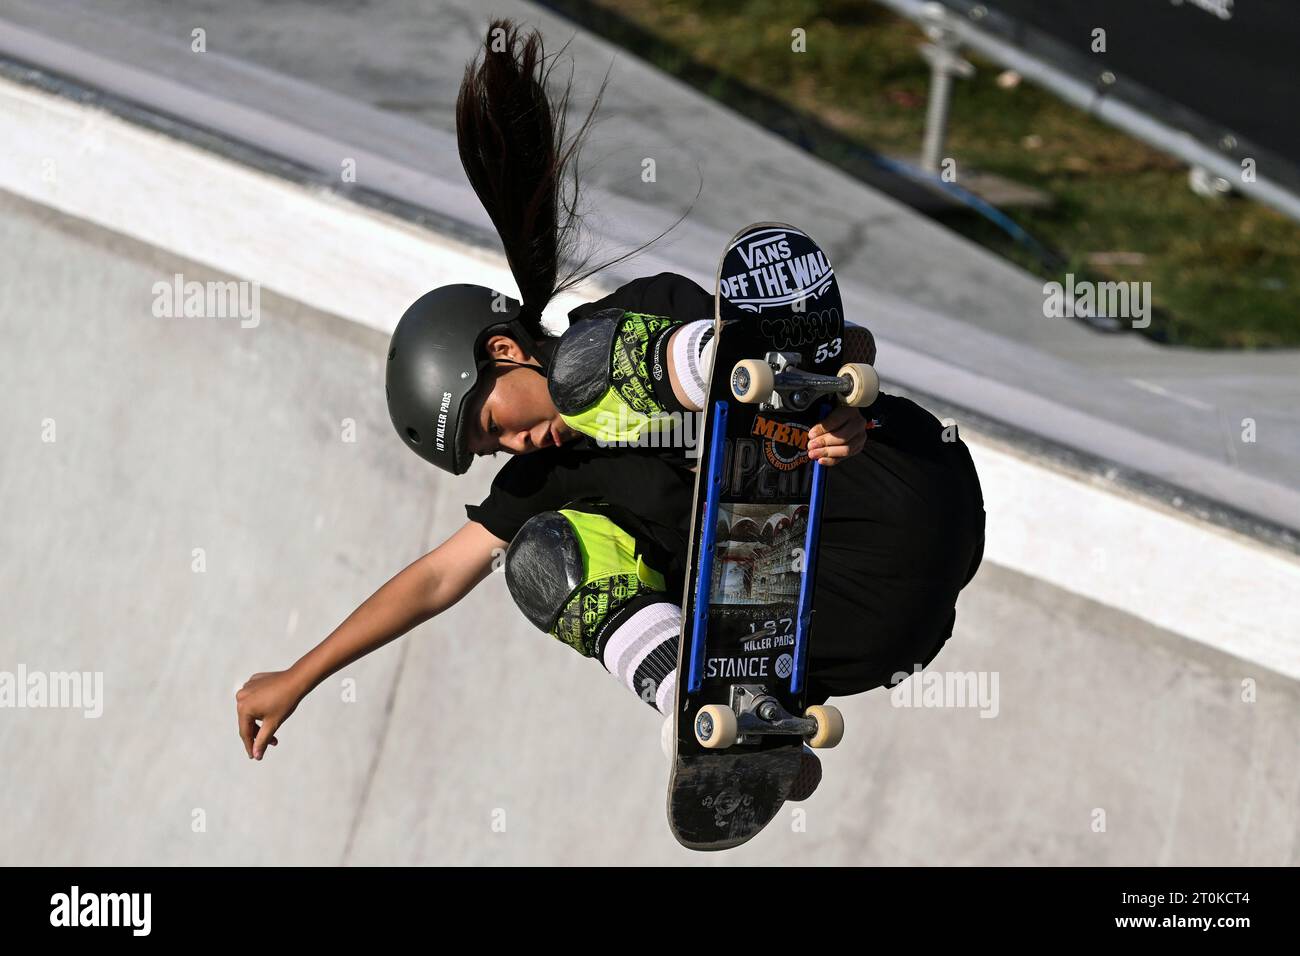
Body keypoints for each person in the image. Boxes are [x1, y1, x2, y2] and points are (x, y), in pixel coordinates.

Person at [237, 21, 985, 794]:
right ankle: (716, 715)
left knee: (589, 375)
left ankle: (729, 372)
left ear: (502, 351)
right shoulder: (542, 480)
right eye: (498, 450)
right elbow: (434, 578)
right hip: (853, 626)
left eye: (498, 424)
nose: (522, 444)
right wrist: (300, 675)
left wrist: (834, 399)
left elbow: (849, 340)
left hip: (899, 493)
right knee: (538, 558)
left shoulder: (631, 317)